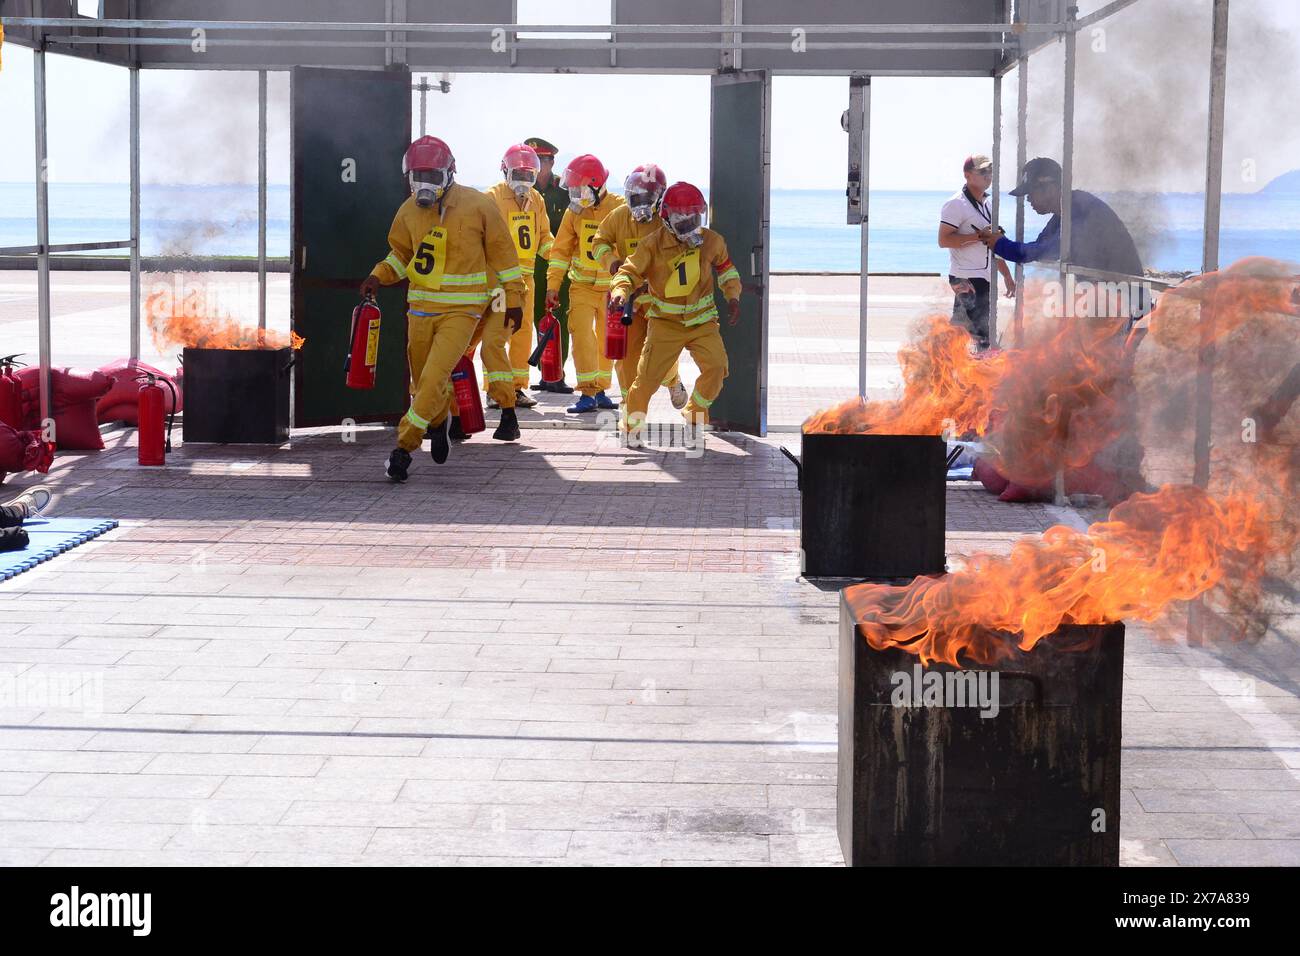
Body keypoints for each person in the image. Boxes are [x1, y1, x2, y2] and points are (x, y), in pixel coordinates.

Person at [361, 136, 524, 482]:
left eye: (432, 176)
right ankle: (439, 421)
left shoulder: (478, 206)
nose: (424, 184)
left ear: (450, 173)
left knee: (434, 377)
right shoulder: (407, 211)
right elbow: (402, 256)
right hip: (419, 311)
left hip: (462, 312)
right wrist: (378, 275)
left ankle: (403, 449)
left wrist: (515, 298)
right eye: (417, 176)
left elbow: (504, 256)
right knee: (423, 381)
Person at [611, 182, 742, 442]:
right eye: (684, 221)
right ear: (668, 220)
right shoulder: (651, 245)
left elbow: (727, 270)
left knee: (717, 367)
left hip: (702, 324)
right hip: (665, 324)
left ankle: (694, 415)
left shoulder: (712, 241)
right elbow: (628, 272)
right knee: (646, 380)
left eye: (695, 218)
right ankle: (630, 428)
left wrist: (733, 296)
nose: (691, 226)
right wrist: (620, 292)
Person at [987, 157, 1146, 318]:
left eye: (1031, 192)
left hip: (1127, 304)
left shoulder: (1082, 209)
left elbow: (1046, 250)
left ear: (1050, 188)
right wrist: (1001, 243)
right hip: (1104, 300)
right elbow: (1039, 245)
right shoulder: (1064, 211)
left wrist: (1000, 244)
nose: (1028, 199)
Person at [467, 143, 553, 440]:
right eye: (518, 173)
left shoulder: (537, 200)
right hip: (498, 282)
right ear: (505, 171)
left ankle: (515, 388)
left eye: (529, 175)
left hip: (525, 279)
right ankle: (495, 391)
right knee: (495, 338)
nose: (523, 181)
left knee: (522, 335)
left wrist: (559, 256)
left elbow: (543, 238)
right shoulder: (491, 198)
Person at [593, 163, 688, 410]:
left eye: (646, 198)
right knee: (626, 357)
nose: (640, 204)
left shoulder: (668, 220)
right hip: (629, 300)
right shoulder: (619, 216)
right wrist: (611, 261)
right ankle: (629, 405)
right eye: (635, 198)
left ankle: (673, 380)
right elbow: (599, 241)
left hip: (660, 299)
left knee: (661, 353)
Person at [545, 154, 625, 413]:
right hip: (581, 287)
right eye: (574, 190)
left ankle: (601, 389)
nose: (576, 195)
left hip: (612, 289)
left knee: (606, 341)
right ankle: (587, 392)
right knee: (581, 337)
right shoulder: (573, 212)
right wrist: (553, 286)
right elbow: (560, 252)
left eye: (580, 189)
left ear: (596, 184)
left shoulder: (619, 208)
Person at [938, 153, 1015, 350]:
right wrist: (977, 236)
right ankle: (980, 370)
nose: (988, 175)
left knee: (961, 330)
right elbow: (944, 240)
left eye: (990, 171)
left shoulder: (988, 204)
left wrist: (1006, 274)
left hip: (984, 276)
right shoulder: (956, 204)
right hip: (965, 277)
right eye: (982, 171)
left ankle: (944, 366)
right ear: (967, 175)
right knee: (981, 334)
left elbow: (993, 241)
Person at [523, 137, 575, 393]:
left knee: (559, 319)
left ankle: (558, 374)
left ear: (551, 162)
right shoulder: (523, 189)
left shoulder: (563, 191)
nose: (536, 165)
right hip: (531, 265)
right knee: (536, 319)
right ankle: (545, 372)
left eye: (541, 160)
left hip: (558, 264)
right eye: (533, 160)